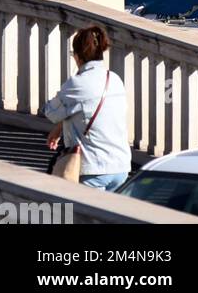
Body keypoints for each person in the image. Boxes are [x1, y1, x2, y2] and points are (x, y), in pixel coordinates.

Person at [43, 24, 132, 189]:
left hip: (93, 168)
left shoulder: (77, 84)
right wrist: (61, 128)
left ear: (77, 56)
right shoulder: (114, 79)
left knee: (79, 214)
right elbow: (91, 111)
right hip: (120, 167)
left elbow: (50, 112)